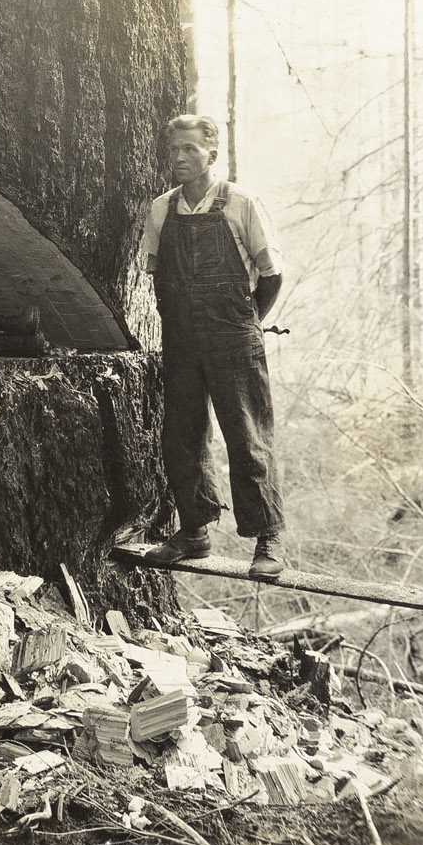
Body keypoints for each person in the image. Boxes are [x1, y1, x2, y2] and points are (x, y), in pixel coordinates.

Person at [139, 114, 286, 581]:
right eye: (173, 151)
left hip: (234, 336)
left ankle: (268, 539)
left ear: (211, 154)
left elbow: (271, 275)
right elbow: (154, 271)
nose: (179, 159)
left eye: (189, 150)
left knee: (246, 437)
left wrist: (247, 325)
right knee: (182, 436)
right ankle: (194, 531)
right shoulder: (162, 209)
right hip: (181, 338)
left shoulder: (242, 203)